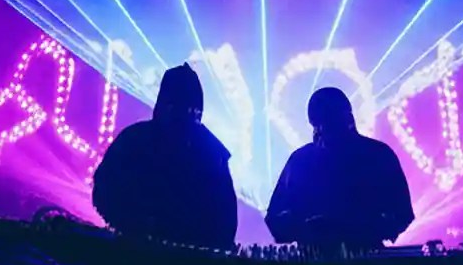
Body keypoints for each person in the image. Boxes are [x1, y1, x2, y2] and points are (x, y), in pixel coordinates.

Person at [92, 64, 237, 249]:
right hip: (135, 252)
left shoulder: (212, 153)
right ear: (162, 105)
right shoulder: (135, 140)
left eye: (191, 111)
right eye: (176, 108)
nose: (183, 116)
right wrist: (136, 223)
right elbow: (104, 189)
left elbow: (226, 220)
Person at [265, 87, 414, 249]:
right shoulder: (300, 160)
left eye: (328, 122)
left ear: (347, 119)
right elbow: (274, 220)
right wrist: (306, 227)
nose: (321, 130)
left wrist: (352, 227)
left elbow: (402, 214)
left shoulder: (378, 155)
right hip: (327, 263)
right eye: (318, 124)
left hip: (361, 261)